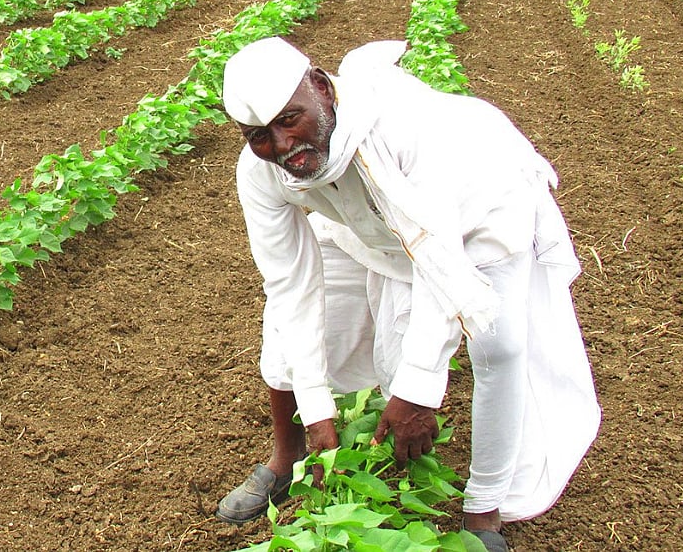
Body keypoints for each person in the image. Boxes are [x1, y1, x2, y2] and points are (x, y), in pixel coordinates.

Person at [214, 37, 601, 552]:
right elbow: (290, 282)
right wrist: (318, 408)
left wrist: (418, 391)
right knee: (282, 341)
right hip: (371, 224)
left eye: (290, 120)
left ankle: (484, 511)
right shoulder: (261, 170)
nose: (282, 146)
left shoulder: (402, 128)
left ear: (323, 89)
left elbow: (439, 257)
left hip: (478, 212)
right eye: (260, 135)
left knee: (498, 345)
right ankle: (287, 460)